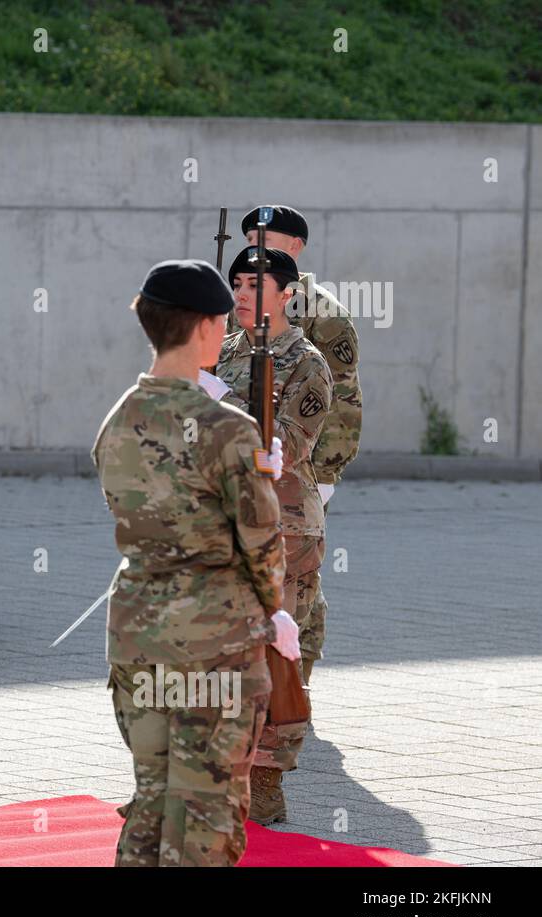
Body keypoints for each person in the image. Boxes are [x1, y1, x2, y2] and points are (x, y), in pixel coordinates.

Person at [92, 258, 298, 866]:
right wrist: (275, 613)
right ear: (206, 327)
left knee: (151, 801)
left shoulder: (117, 420)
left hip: (136, 633)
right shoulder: (227, 428)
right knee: (206, 812)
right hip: (216, 641)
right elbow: (261, 544)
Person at [209, 245, 333, 825]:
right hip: (224, 521)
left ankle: (266, 777)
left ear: (287, 294)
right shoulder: (222, 349)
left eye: (256, 285)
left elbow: (285, 446)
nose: (240, 294)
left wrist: (219, 397)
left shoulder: (307, 363)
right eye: (236, 282)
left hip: (284, 526)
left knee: (278, 652)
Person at [238, 205, 363, 679]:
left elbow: (343, 400)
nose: (256, 248)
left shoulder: (325, 315)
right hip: (251, 460)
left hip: (301, 464)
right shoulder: (246, 302)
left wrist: (327, 472)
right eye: (251, 240)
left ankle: (297, 672)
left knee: (297, 571)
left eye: (266, 240)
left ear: (296, 247)